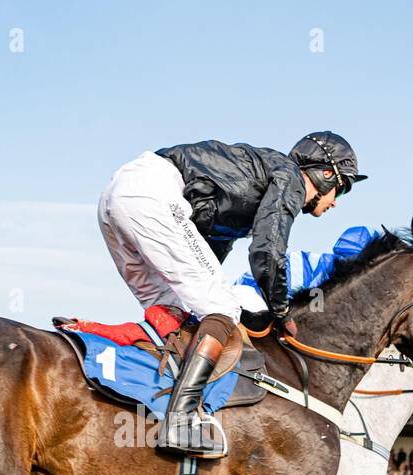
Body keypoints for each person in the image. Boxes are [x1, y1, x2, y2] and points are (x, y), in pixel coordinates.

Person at [99, 131, 367, 457]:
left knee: (174, 309)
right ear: (326, 174)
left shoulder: (255, 184)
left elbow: (207, 252)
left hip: (116, 198)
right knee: (223, 307)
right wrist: (281, 311)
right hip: (152, 193)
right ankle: (180, 420)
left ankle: (150, 395)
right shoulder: (290, 178)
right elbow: (268, 251)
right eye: (342, 187)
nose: (336, 200)